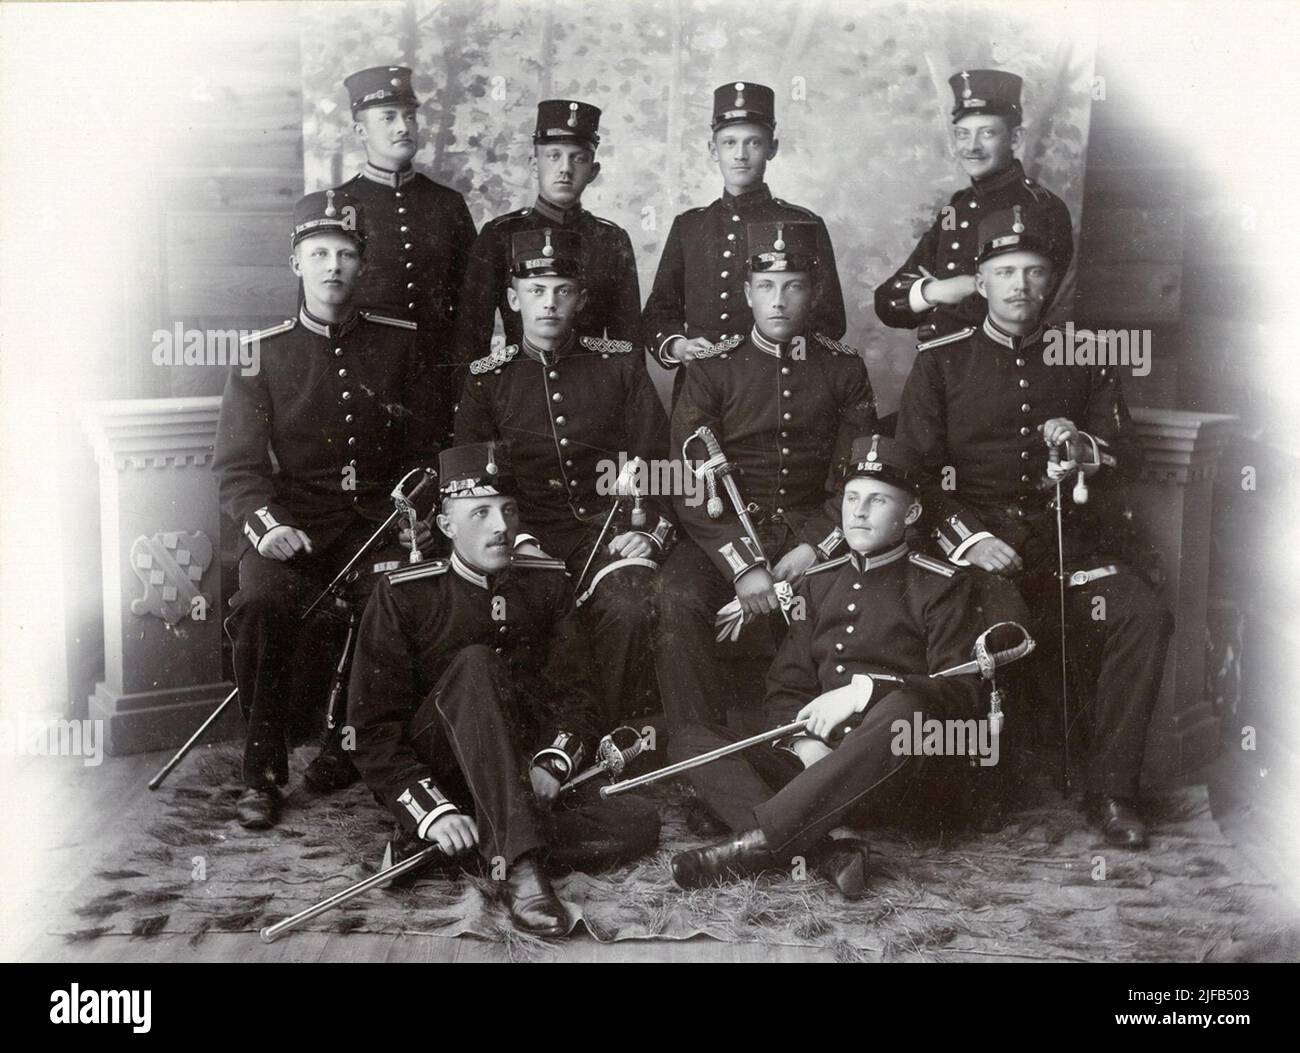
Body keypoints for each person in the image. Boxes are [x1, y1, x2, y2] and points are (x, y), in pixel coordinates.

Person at [895, 203, 1172, 848]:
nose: (1020, 286)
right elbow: (913, 477)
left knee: (1140, 614)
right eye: (1006, 271)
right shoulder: (941, 360)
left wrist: (1083, 447)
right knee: (1001, 622)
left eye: (1035, 272)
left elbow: (1122, 454)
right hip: (982, 545)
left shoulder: (1087, 354)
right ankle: (987, 781)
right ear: (982, 282)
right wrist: (970, 539)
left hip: (1070, 544)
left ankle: (1111, 788)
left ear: (1051, 283)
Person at [346, 442, 660, 937]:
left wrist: (552, 761)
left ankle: (470, 844)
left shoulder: (546, 586)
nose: (501, 526)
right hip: (444, 770)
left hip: (518, 774)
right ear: (447, 527)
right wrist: (432, 813)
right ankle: (523, 871)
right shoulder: (404, 593)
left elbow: (577, 693)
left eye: (508, 510)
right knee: (475, 664)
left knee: (640, 822)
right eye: (481, 513)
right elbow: (370, 729)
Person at [668, 436, 987, 897]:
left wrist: (863, 694)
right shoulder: (819, 584)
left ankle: (759, 843)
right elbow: (785, 689)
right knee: (691, 738)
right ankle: (827, 852)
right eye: (852, 499)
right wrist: (802, 744)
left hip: (898, 773)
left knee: (905, 710)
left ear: (911, 514)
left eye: (877, 501)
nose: (858, 512)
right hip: (815, 767)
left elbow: (961, 692)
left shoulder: (942, 585)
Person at [213, 189, 440, 827]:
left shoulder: (401, 344)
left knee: (400, 602)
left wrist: (416, 513)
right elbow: (237, 469)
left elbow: (428, 452)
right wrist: (268, 528)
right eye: (319, 253)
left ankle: (358, 752)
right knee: (261, 601)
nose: (333, 265)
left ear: (361, 264)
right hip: (297, 528)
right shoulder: (262, 353)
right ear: (297, 264)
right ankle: (261, 773)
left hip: (380, 526)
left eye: (345, 253)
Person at [655, 220, 877, 826]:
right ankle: (701, 767)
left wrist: (814, 547)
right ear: (747, 292)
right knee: (675, 601)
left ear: (814, 293)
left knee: (836, 607)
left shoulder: (843, 370)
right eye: (766, 285)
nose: (779, 300)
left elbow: (856, 480)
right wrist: (745, 568)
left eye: (794, 285)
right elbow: (689, 483)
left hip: (813, 533)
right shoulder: (712, 369)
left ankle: (807, 766)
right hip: (722, 534)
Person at [455, 227, 672, 724]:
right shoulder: (488, 378)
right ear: (513, 299)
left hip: (609, 534)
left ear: (582, 298)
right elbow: (473, 482)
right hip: (523, 541)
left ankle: (607, 736)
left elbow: (657, 461)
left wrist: (648, 534)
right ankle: (541, 736)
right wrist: (519, 539)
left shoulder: (619, 366)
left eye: (562, 291)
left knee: (632, 604)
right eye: (535, 291)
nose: (548, 303)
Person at [642, 81, 846, 393]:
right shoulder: (690, 226)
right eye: (729, 143)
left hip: (778, 384)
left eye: (753, 143)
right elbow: (659, 311)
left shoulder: (802, 223)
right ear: (713, 150)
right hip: (702, 384)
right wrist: (677, 346)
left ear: (772, 149)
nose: (740, 155)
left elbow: (830, 319)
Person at [874, 69, 1073, 343]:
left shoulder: (1041, 208)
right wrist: (934, 291)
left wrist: (955, 296)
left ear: (1015, 139)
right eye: (963, 134)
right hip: (939, 364)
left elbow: (1025, 312)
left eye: (987, 133)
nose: (972, 147)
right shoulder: (957, 209)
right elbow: (887, 302)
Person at [452, 99, 640, 379]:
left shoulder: (612, 239)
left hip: (593, 390)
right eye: (553, 156)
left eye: (578, 158)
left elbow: (627, 339)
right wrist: (467, 402)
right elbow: (471, 331)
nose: (565, 169)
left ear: (593, 171)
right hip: (516, 389)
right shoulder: (499, 234)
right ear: (533, 164)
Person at [336, 64, 477, 419]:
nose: (403, 127)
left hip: (439, 380)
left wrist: (466, 378)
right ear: (360, 130)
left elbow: (472, 304)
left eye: (409, 116)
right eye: (388, 117)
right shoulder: (339, 206)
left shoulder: (447, 204)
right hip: (364, 378)